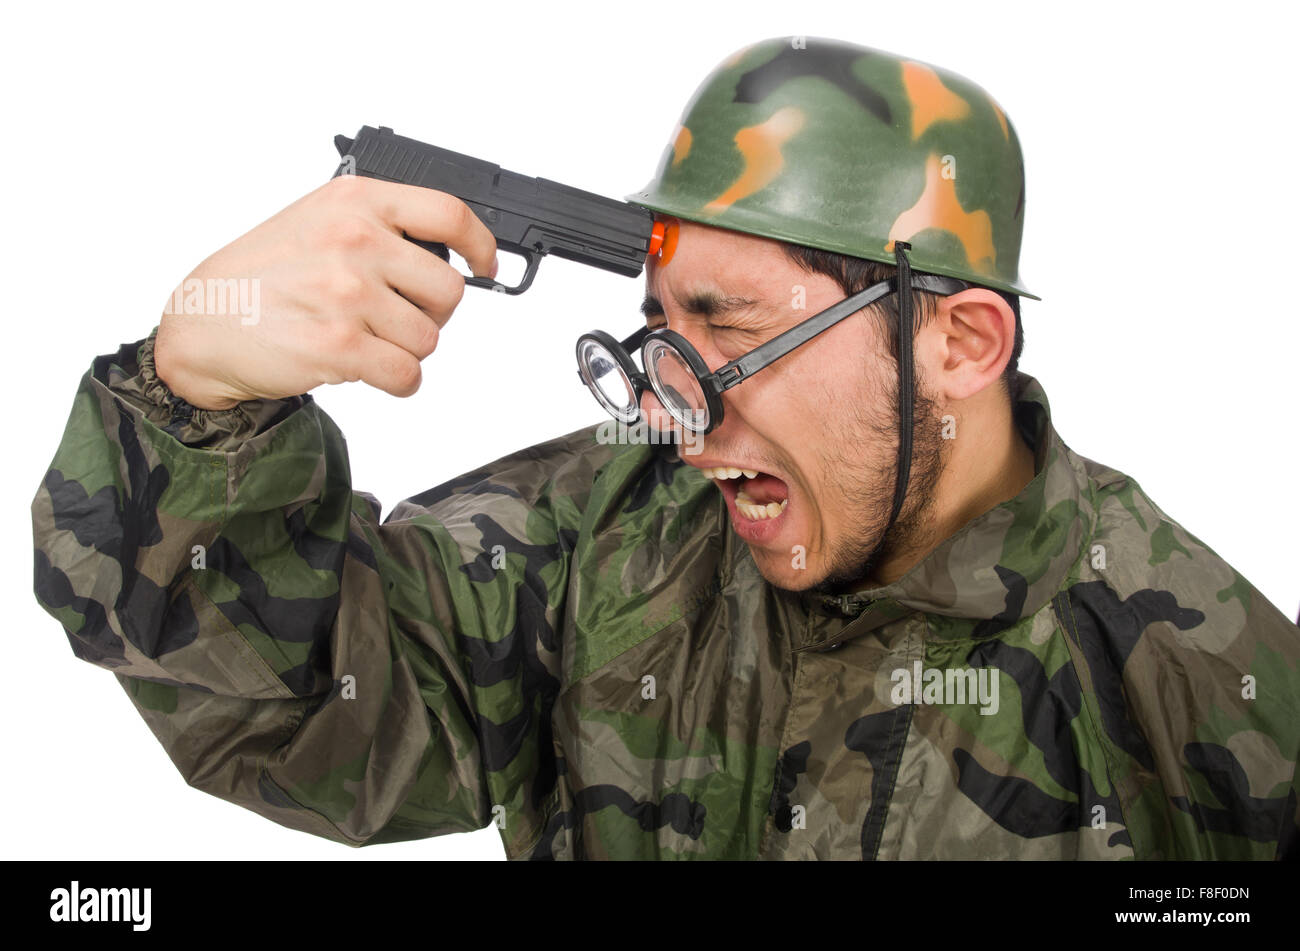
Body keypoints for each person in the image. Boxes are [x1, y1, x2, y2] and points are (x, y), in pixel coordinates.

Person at [31, 36, 1298, 860]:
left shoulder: (1197, 672)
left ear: (961, 343)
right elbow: (307, 719)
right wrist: (197, 404)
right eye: (657, 337)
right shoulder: (602, 531)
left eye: (728, 332)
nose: (675, 421)